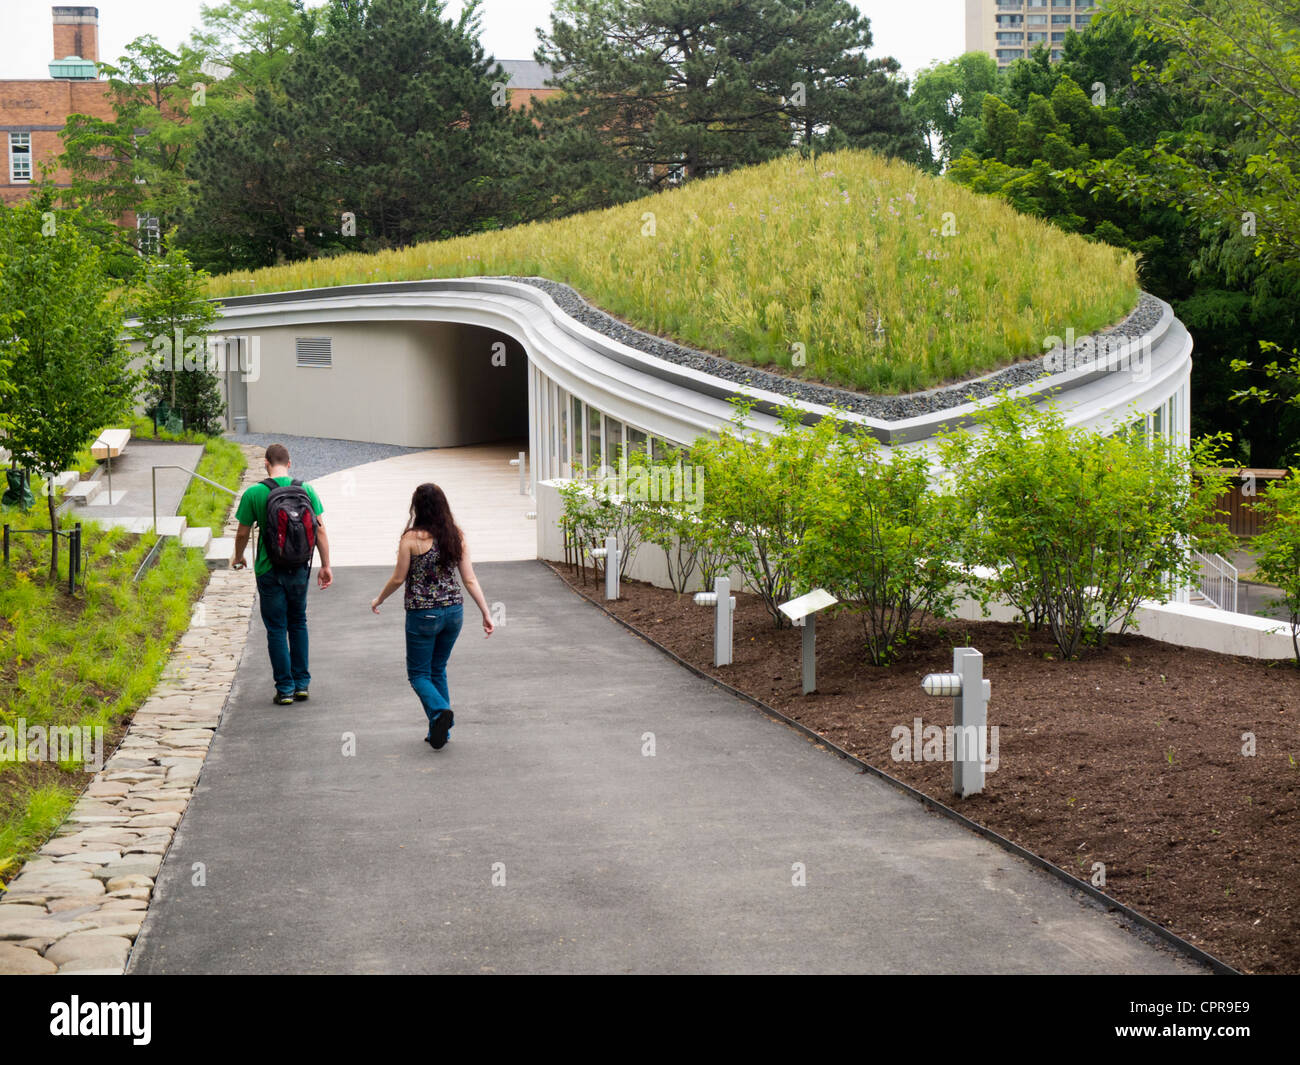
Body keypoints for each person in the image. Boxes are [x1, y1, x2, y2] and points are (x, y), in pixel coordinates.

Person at [370, 483, 493, 749]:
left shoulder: (411, 539)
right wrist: (486, 612)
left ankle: (439, 712)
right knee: (437, 669)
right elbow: (469, 579)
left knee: (418, 674)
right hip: (454, 613)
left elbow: (399, 577)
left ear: (417, 508)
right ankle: (440, 731)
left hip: (423, 616)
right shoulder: (455, 535)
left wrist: (379, 598)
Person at [233, 443, 333, 705]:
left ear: (266, 463)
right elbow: (320, 530)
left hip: (269, 569)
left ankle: (285, 689)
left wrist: (239, 555)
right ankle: (302, 684)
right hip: (299, 567)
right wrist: (326, 565)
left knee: (276, 628)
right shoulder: (306, 489)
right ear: (289, 464)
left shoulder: (254, 492)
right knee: (298, 622)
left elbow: (242, 532)